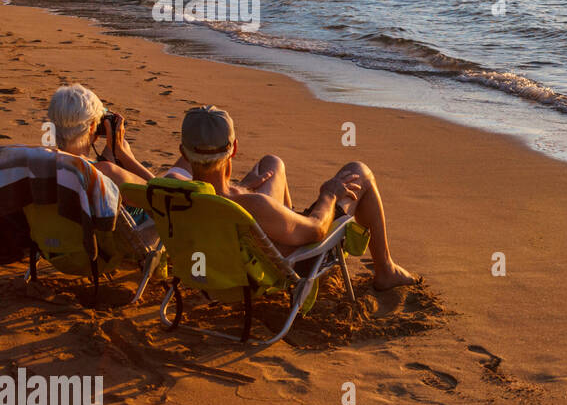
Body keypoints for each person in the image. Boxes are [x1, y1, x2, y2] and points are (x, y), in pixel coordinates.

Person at [170, 105, 419, 291]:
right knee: (360, 171)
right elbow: (317, 230)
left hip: (218, 263)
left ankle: (287, 220)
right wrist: (329, 194)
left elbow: (219, 196)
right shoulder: (253, 206)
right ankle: (386, 269)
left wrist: (241, 187)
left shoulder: (173, 191)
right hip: (288, 262)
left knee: (272, 163)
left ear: (183, 151)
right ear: (234, 148)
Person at [46, 84, 153, 187]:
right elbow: (161, 192)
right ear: (92, 127)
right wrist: (122, 154)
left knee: (114, 150)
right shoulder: (106, 171)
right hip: (122, 196)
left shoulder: (41, 162)